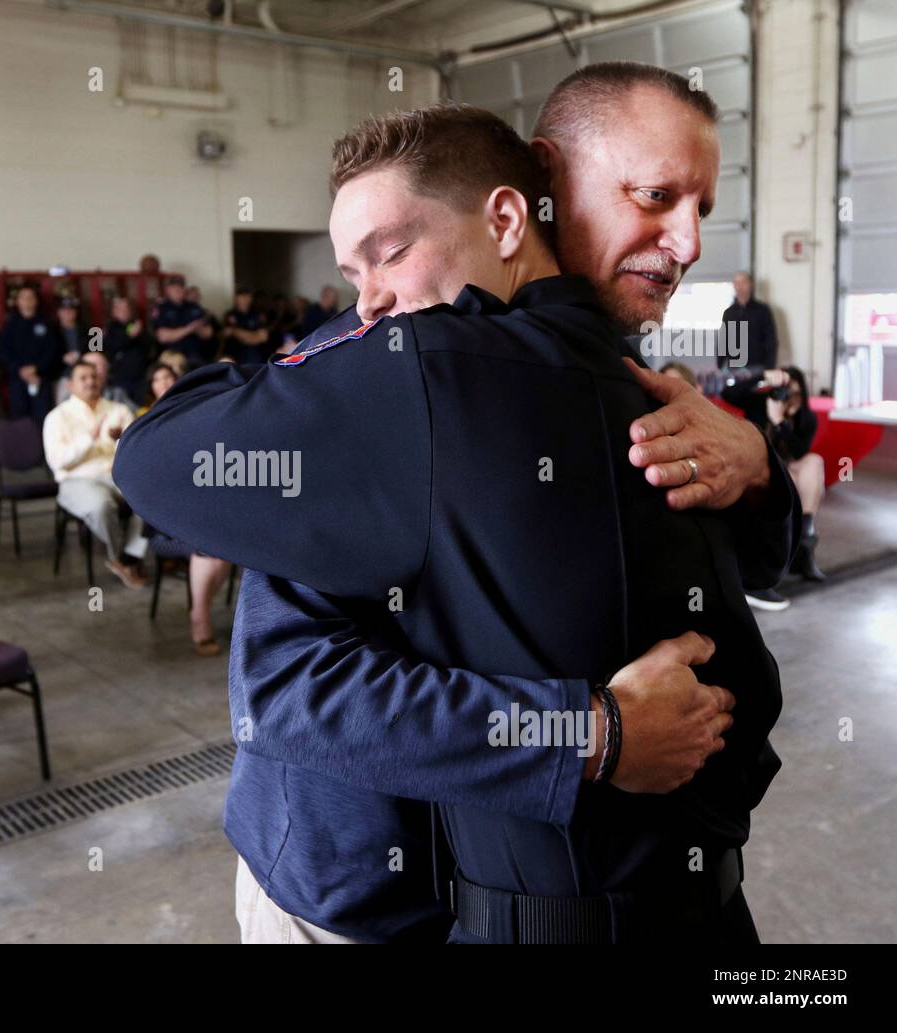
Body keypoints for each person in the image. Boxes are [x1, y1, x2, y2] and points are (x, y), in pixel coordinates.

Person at [116, 91, 798, 944]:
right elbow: (294, 690)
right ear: (530, 202)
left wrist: (759, 468)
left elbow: (756, 579)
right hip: (351, 888)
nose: (689, 242)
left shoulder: (632, 383)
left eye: (701, 206)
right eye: (654, 197)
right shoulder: (392, 377)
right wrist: (588, 732)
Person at [42, 362, 147, 589]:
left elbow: (136, 451)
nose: (91, 381)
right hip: (77, 480)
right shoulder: (57, 417)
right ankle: (119, 556)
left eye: (94, 376)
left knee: (150, 498)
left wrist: (121, 439)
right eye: (83, 378)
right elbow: (57, 461)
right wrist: (89, 439)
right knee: (100, 505)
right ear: (69, 385)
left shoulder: (118, 410)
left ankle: (127, 557)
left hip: (117, 476)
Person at [724, 365, 826, 597]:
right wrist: (762, 377)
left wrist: (780, 422)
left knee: (814, 462)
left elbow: (799, 452)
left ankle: (806, 540)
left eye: (798, 394)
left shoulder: (806, 417)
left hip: (792, 468)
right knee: (789, 477)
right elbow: (728, 394)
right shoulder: (760, 403)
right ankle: (786, 556)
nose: (791, 398)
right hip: (763, 469)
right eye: (786, 391)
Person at [0, 285, 63, 427]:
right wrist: (19, 370)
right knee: (19, 421)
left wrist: (37, 369)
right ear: (17, 302)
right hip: (17, 380)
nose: (27, 301)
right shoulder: (9, 325)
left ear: (36, 301)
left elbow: (52, 351)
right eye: (23, 298)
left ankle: (41, 450)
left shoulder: (46, 324)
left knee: (43, 421)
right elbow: (4, 352)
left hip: (41, 379)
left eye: (30, 298)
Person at [721, 272, 778, 373]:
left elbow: (771, 340)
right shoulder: (729, 313)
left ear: (751, 284)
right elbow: (723, 340)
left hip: (757, 366)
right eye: (737, 283)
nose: (740, 286)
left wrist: (770, 367)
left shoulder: (762, 310)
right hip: (734, 367)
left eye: (743, 282)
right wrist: (720, 364)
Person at [101, 296, 154, 404]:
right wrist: (129, 337)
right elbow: (106, 349)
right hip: (119, 379)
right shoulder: (105, 329)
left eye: (126, 308)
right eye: (119, 308)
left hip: (140, 378)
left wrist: (140, 334)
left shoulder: (137, 325)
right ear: (113, 311)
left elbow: (150, 348)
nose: (123, 311)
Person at [150, 275, 213, 366]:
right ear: (168, 289)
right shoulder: (161, 308)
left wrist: (197, 328)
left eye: (181, 287)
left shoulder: (194, 307)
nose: (178, 290)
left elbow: (208, 333)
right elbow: (162, 337)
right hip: (172, 356)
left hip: (195, 355)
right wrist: (189, 328)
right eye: (174, 287)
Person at [220, 287, 271, 364]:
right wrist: (254, 335)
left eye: (248, 296)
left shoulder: (258, 314)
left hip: (255, 356)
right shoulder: (230, 315)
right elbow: (225, 334)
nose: (245, 300)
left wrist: (236, 332)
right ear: (236, 298)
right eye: (242, 297)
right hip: (235, 356)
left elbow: (264, 337)